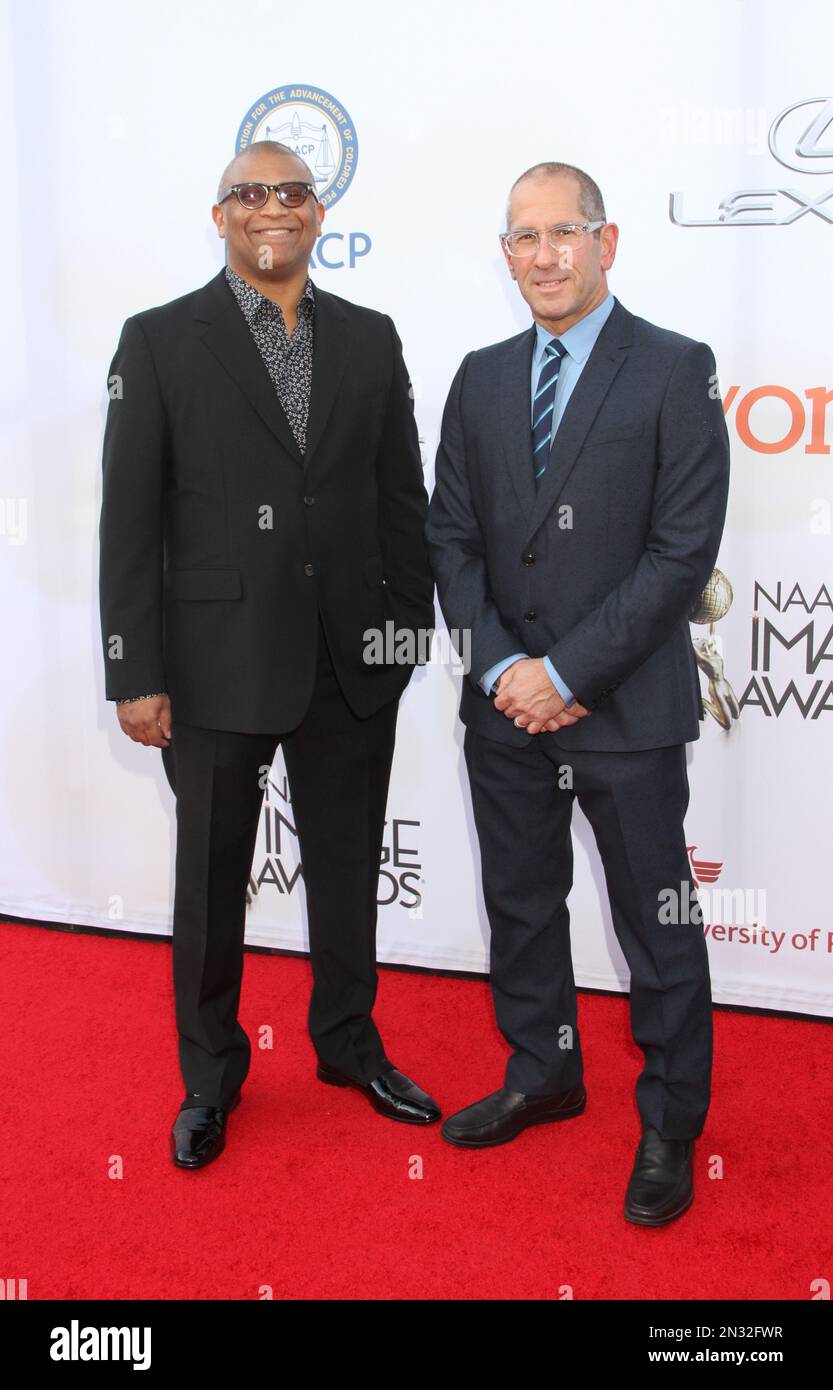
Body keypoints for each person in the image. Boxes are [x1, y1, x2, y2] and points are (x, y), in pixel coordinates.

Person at [99, 140, 440, 1170]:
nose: (272, 209)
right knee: (210, 882)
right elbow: (130, 518)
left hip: (349, 654)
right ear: (219, 217)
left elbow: (398, 498)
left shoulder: (371, 339)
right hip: (212, 662)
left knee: (346, 866)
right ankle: (209, 1077)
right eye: (249, 193)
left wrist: (404, 626)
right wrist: (134, 669)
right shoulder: (157, 341)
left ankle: (347, 1043)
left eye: (291, 192)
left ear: (318, 211)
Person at [425, 161, 730, 1225]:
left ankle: (669, 1123)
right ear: (503, 254)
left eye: (565, 231)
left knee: (654, 920)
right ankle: (542, 1071)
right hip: (501, 706)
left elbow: (679, 552)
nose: (543, 254)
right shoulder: (477, 374)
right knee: (519, 901)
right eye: (522, 236)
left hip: (623, 706)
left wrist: (565, 673)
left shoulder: (673, 369)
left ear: (608, 241)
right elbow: (450, 539)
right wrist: (507, 669)